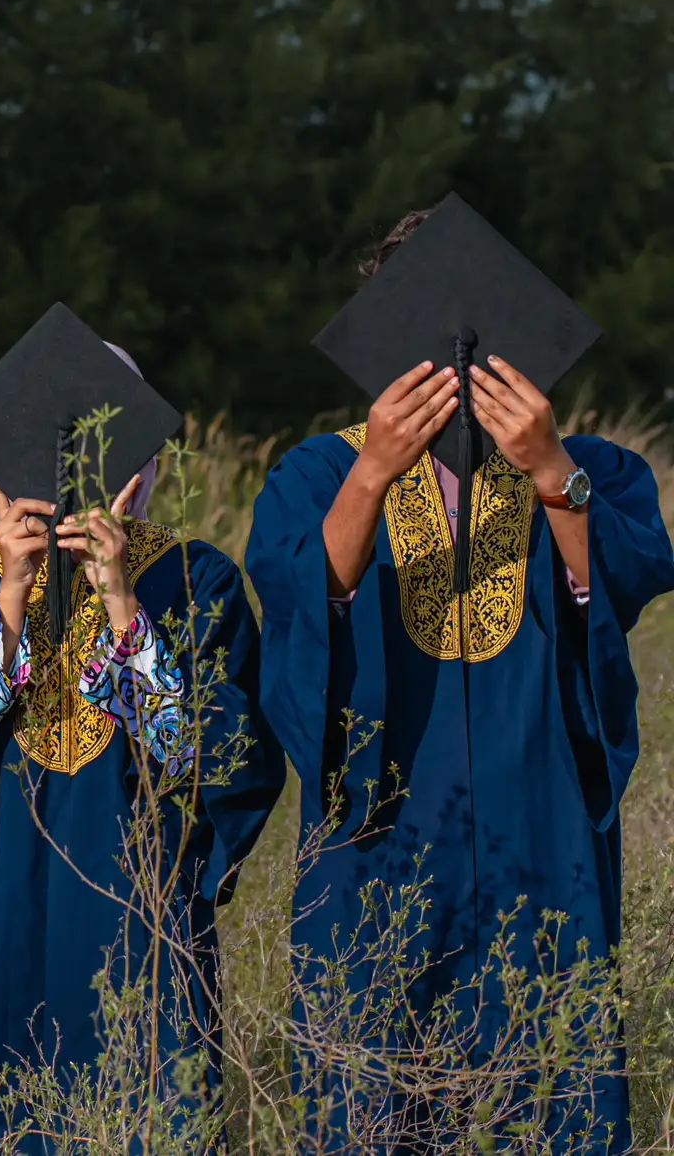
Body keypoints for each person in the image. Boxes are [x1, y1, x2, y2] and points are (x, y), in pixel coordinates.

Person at [247, 199, 674, 1149]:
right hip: (382, 839)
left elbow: (630, 577)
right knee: (376, 1093)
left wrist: (551, 470)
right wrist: (375, 476)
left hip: (539, 834)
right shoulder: (317, 474)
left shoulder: (591, 465)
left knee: (544, 1082)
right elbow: (295, 599)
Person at [0, 310, 282, 1146]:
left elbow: (213, 754)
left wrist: (119, 597)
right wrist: (11, 587)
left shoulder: (196, 578)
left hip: (138, 887)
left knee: (145, 1095)